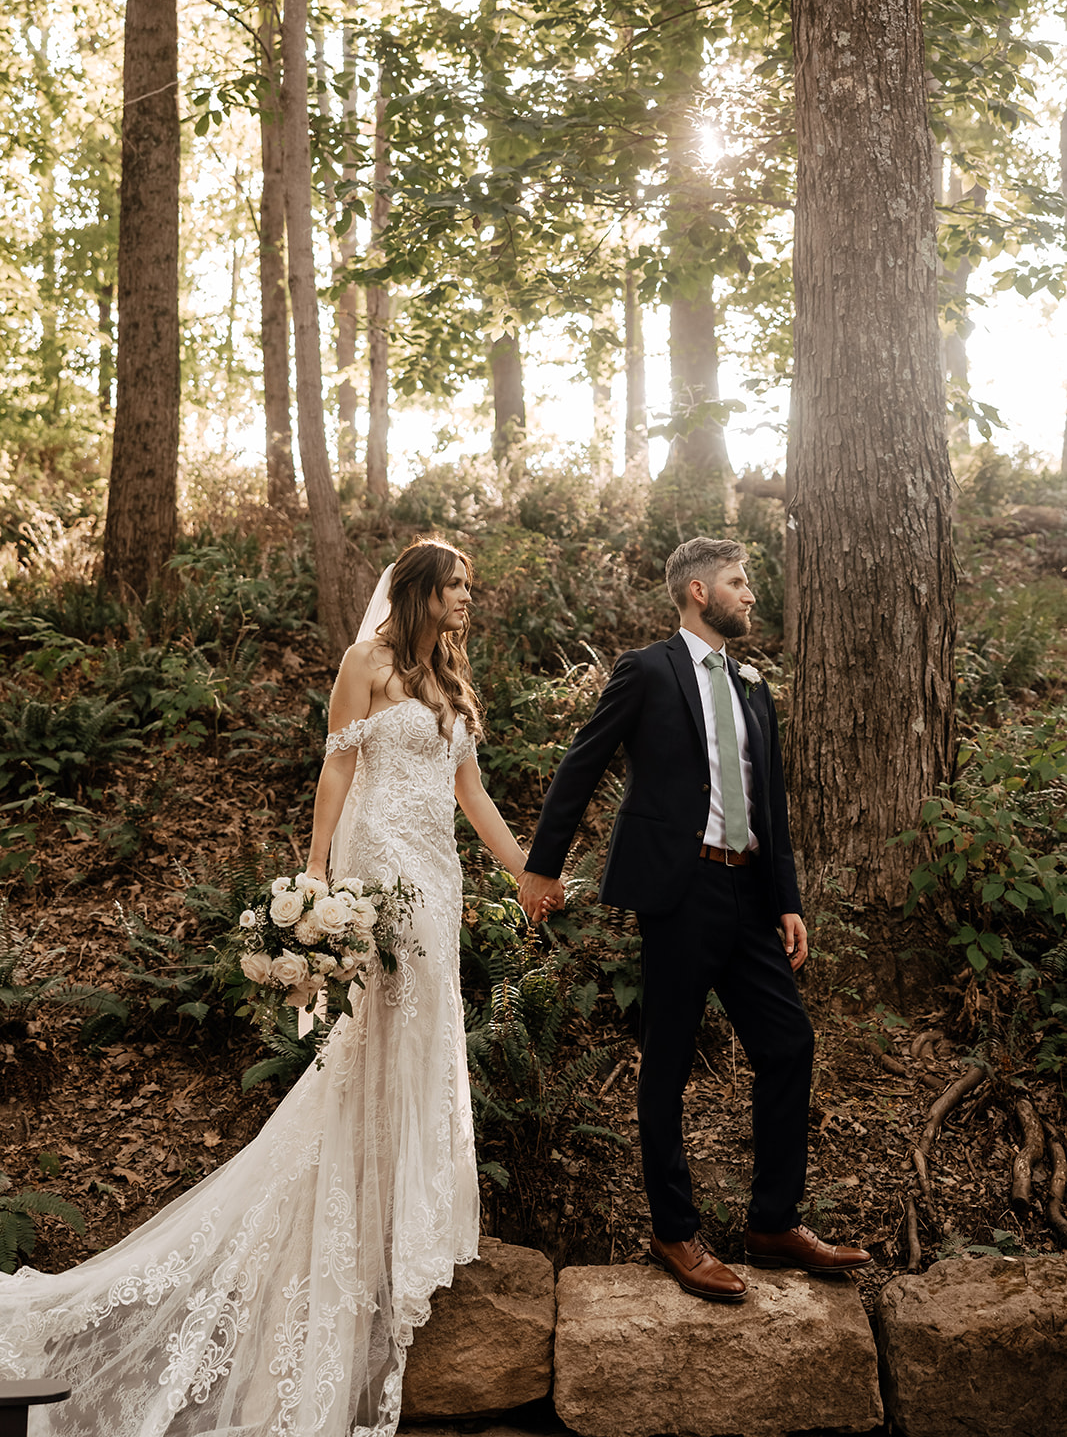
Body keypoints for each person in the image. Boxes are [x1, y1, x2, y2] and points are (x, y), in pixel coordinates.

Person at [0, 538, 538, 1436]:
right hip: (376, 864)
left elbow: (471, 793)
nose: (466, 602)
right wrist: (318, 875)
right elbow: (335, 765)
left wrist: (528, 873)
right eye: (454, 589)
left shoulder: (451, 678)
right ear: (415, 591)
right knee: (381, 1027)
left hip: (437, 876)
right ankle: (367, 1203)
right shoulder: (364, 664)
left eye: (469, 590)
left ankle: (408, 1206)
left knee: (427, 1028)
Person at [520, 537, 871, 1303]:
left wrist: (787, 899)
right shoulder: (647, 670)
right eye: (739, 583)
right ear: (698, 593)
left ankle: (773, 1223)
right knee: (669, 1063)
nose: (751, 595)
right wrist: (541, 867)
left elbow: (768, 799)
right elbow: (584, 761)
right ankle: (673, 1231)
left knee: (788, 1044)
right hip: (679, 895)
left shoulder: (751, 684)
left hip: (750, 895)